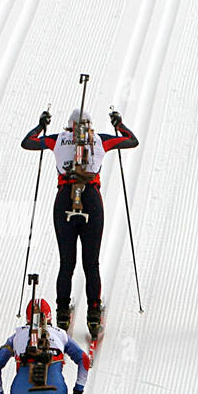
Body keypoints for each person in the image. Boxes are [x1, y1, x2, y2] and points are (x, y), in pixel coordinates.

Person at [21, 106, 138, 337]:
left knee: (67, 261)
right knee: (91, 262)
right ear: (89, 127)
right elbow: (131, 141)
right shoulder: (100, 140)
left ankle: (62, 312)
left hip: (64, 198)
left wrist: (42, 125)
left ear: (69, 126)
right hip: (91, 198)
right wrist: (118, 124)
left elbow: (28, 142)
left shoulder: (57, 139)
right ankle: (94, 316)